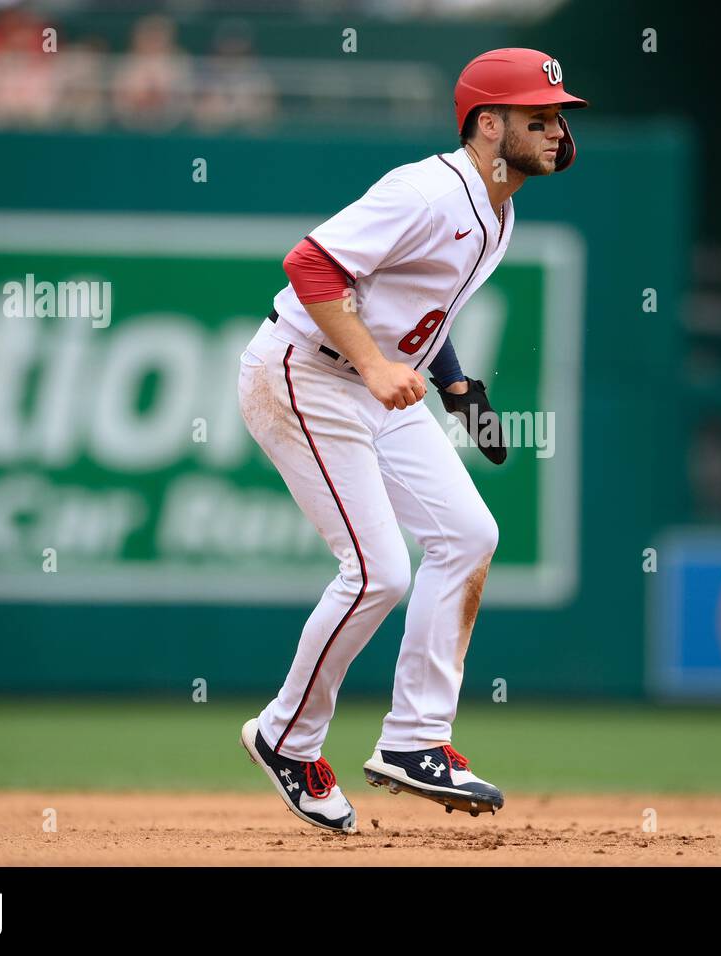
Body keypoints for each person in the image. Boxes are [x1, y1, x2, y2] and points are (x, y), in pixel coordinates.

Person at [235, 48, 588, 832]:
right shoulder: (428, 191)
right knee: (376, 572)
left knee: (469, 535)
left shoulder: (500, 208)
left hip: (371, 384)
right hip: (306, 372)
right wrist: (370, 360)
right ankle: (286, 738)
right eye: (540, 117)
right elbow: (310, 266)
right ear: (488, 125)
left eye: (560, 115)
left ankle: (416, 742)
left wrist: (458, 387)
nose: (558, 130)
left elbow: (418, 310)